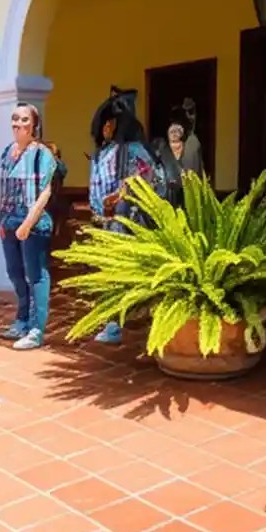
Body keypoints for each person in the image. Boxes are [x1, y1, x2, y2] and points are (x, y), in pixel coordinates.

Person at [87, 88, 172, 345]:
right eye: (104, 124)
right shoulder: (102, 152)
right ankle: (113, 319)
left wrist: (122, 194)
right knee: (106, 274)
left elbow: (146, 182)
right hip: (103, 222)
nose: (106, 128)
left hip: (126, 223)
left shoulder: (136, 151)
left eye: (110, 123)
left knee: (124, 274)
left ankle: (119, 324)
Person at [0, 103, 58, 351]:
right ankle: (21, 320)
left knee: (36, 275)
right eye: (15, 119)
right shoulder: (7, 152)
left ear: (34, 124)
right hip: (9, 220)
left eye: (24, 120)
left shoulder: (43, 154)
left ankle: (36, 329)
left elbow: (45, 192)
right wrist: (1, 220)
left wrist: (27, 223)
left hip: (33, 221)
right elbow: (3, 186)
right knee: (15, 273)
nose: (18, 124)